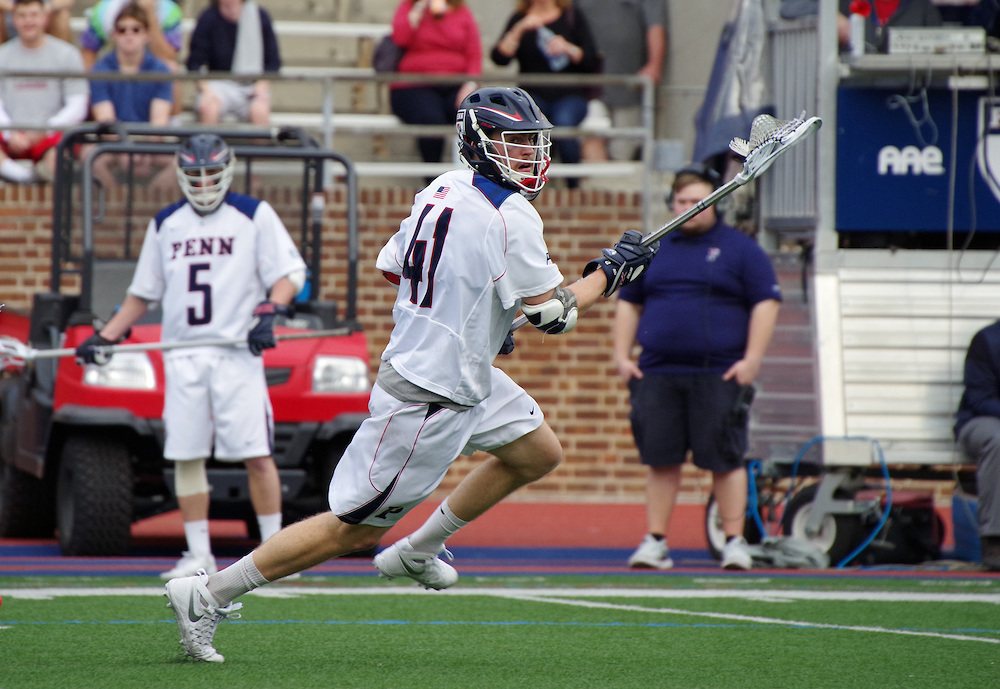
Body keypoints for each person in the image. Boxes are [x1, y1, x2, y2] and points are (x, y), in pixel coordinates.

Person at [159, 86, 657, 663]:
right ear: (479, 143)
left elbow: (396, 269)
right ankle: (207, 593)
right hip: (431, 395)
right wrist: (610, 273)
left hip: (455, 368)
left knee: (537, 453)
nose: (528, 156)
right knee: (354, 529)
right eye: (514, 144)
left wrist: (482, 320)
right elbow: (552, 315)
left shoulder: (442, 186)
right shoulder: (511, 215)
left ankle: (421, 548)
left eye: (532, 144)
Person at [75, 133, 308, 581]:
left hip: (236, 354)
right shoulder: (166, 223)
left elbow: (289, 274)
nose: (203, 183)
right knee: (187, 454)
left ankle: (277, 550)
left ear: (227, 170)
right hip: (183, 355)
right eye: (195, 175)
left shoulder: (253, 214)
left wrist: (269, 311)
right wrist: (104, 334)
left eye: (211, 173)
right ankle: (198, 552)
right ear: (182, 175)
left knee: (257, 453)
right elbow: (142, 294)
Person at [614, 164, 782, 571]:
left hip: (720, 374)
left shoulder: (741, 249)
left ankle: (735, 541)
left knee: (726, 460)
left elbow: (766, 302)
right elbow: (628, 302)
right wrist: (621, 357)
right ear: (672, 204)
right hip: (657, 373)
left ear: (714, 203)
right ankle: (655, 541)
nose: (690, 208)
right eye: (683, 202)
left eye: (698, 201)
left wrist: (752, 360)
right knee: (661, 460)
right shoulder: (654, 248)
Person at [490, 0, 601, 185]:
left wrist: (566, 47)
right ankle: (529, 182)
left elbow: (591, 61)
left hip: (569, 95)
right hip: (533, 97)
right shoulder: (520, 18)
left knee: (564, 123)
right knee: (532, 128)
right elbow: (500, 58)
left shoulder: (571, 16)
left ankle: (573, 187)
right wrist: (520, 28)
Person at [87, 2, 175, 189]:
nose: (129, 35)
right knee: (89, 156)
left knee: (182, 161)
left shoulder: (161, 70)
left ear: (147, 35)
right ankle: (114, 206)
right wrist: (124, 149)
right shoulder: (100, 69)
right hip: (114, 142)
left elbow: (159, 123)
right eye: (122, 30)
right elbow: (106, 120)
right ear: (114, 34)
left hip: (150, 141)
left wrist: (144, 150)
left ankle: (149, 205)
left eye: (136, 29)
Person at [0, 0, 87, 184]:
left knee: (61, 153)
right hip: (11, 137)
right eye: (22, 16)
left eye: (33, 15)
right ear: (13, 19)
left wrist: (44, 130)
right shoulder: (2, 55)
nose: (28, 21)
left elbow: (78, 106)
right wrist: (10, 133)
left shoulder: (67, 54)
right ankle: (25, 178)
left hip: (51, 137)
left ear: (45, 18)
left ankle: (37, 186)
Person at [389, 0, 481, 164]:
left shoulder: (461, 11)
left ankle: (475, 176)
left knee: (473, 115)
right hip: (414, 84)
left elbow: (474, 53)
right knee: (430, 118)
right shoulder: (409, 6)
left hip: (455, 83)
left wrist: (470, 84)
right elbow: (400, 38)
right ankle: (433, 180)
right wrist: (419, 8)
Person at [576, 0, 666, 162]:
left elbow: (656, 25)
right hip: (589, 86)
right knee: (591, 135)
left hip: (629, 85)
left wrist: (654, 65)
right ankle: (598, 184)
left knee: (624, 148)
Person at [186, 0, 281, 126]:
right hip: (218, 83)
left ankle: (262, 145)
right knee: (209, 108)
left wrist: (261, 87)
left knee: (260, 111)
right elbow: (194, 63)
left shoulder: (260, 16)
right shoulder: (208, 17)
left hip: (251, 84)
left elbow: (273, 63)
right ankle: (209, 145)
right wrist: (206, 90)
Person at [953, 321, 1000, 572]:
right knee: (999, 440)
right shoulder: (988, 340)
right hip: (982, 420)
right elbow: (979, 398)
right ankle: (995, 539)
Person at [837, 0, 942, 54]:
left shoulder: (922, 6)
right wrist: (830, 17)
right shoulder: (846, 3)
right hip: (853, 88)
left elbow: (940, 49)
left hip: (908, 88)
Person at [0, 0, 73, 43]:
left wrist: (45, 8)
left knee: (63, 15)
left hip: (44, 16)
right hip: (11, 18)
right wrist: (18, 9)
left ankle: (62, 55)